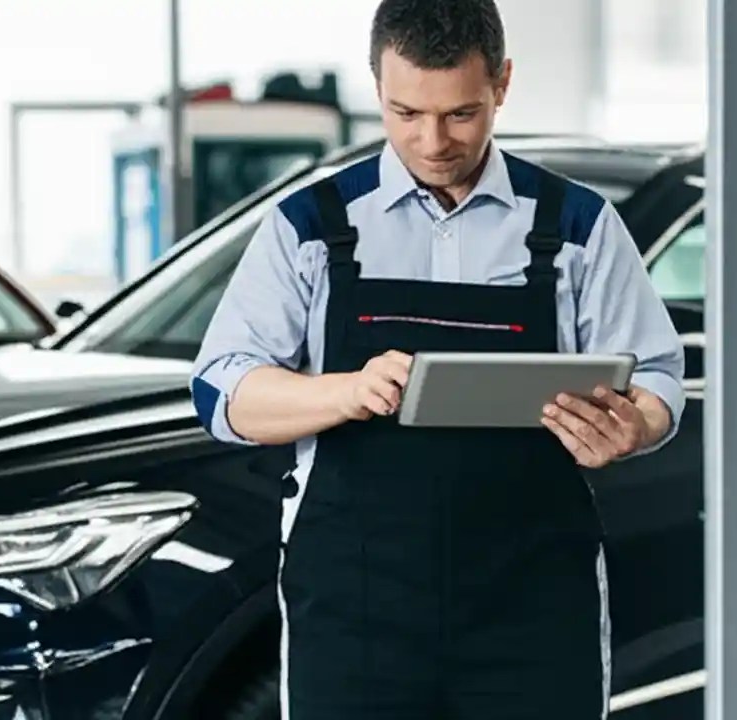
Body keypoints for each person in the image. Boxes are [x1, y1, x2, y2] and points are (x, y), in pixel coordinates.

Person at [190, 0, 685, 716]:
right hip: (356, 606)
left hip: (534, 605)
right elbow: (221, 393)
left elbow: (659, 380)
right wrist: (346, 391)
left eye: (461, 114)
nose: (431, 141)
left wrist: (634, 425)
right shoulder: (311, 227)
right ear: (376, 87)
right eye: (405, 113)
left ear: (502, 84)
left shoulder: (577, 228)